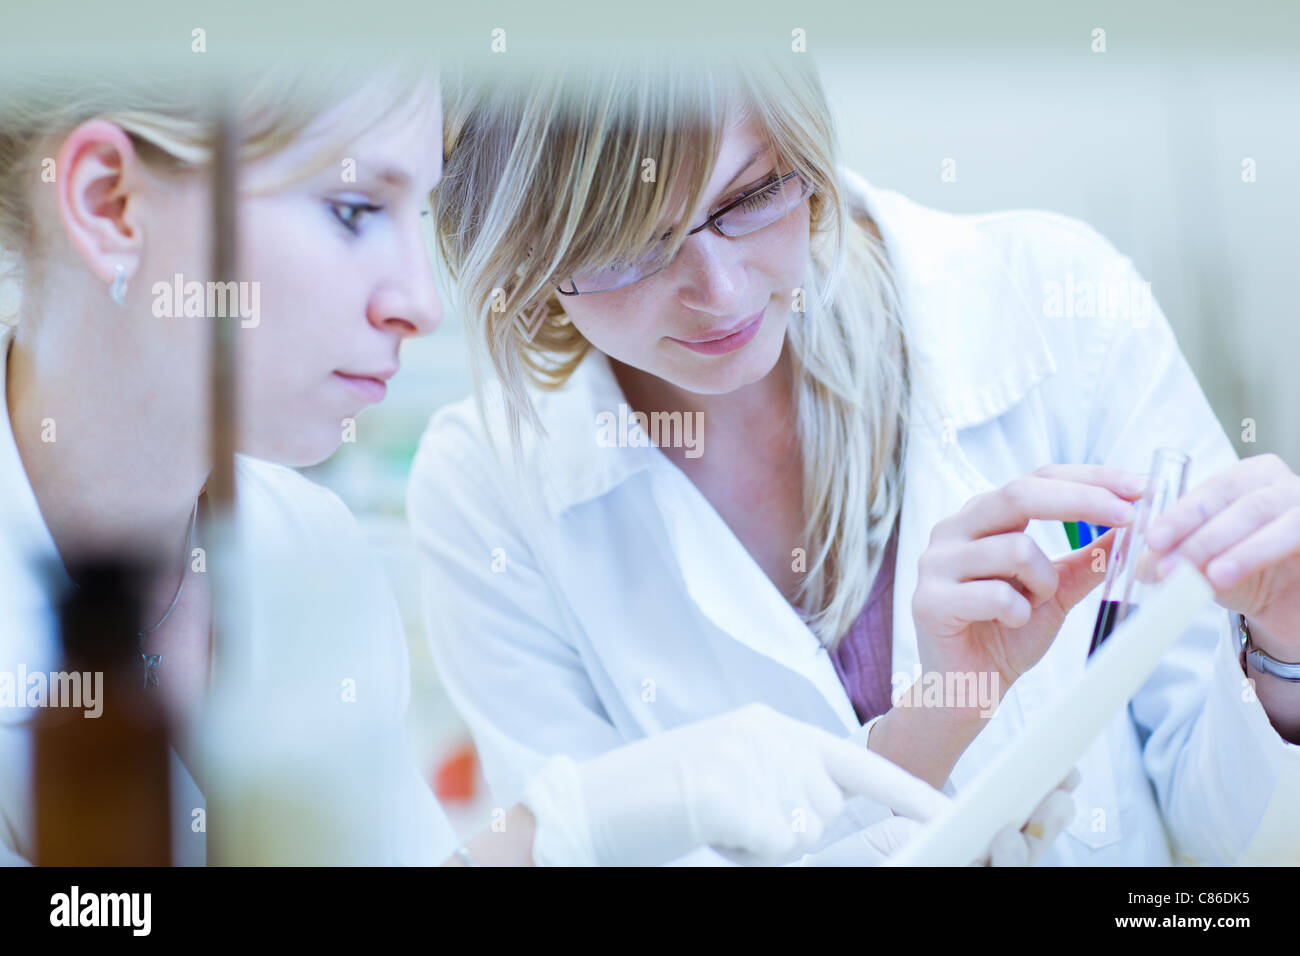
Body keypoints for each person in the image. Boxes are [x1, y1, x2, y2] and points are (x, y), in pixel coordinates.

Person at [0, 63, 1068, 868]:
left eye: (417, 216)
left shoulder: (303, 554)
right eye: (353, 209)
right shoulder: (458, 497)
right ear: (110, 203)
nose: (417, 300)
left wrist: (572, 824)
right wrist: (576, 819)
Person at [411, 54, 1300, 866]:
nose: (719, 293)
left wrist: (1286, 646)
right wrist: (924, 740)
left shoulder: (1058, 308)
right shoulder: (486, 491)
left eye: (750, 196)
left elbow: (1218, 845)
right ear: (521, 252)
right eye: (625, 248)